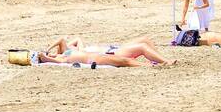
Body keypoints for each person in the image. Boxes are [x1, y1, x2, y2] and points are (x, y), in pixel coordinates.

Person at [39, 37, 174, 67]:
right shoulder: (64, 57)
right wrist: (46, 56)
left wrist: (49, 50)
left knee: (145, 40)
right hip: (109, 53)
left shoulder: (67, 51)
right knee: (142, 47)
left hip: (111, 49)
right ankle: (163, 62)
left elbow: (63, 40)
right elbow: (51, 59)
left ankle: (156, 60)